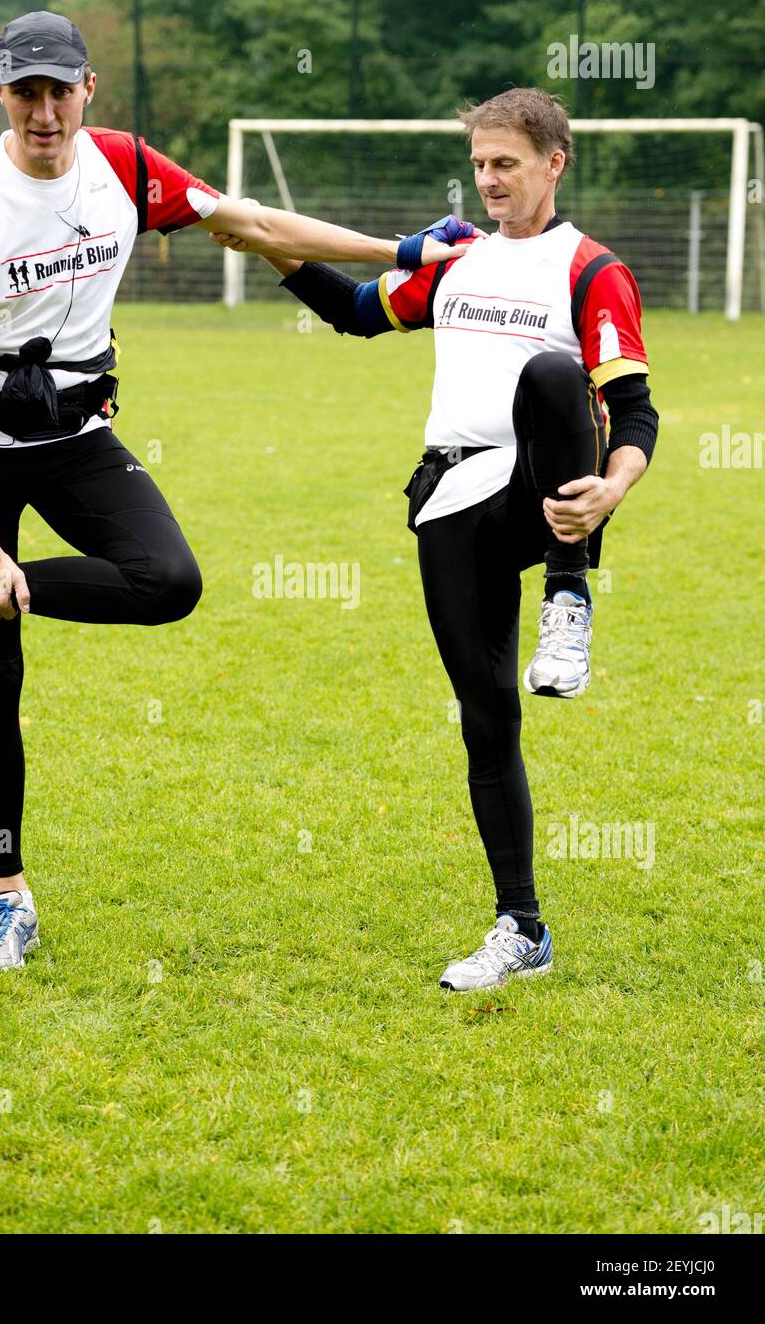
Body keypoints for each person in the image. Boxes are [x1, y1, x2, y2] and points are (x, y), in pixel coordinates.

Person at [0, 10, 464, 972]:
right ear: (1, 95)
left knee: (168, 580)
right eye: (27, 93)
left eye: (61, 91)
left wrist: (400, 253)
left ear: (88, 90)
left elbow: (254, 223)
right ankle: (9, 900)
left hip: (80, 429)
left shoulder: (128, 169)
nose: (44, 112)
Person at [211, 88, 658, 992]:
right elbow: (354, 310)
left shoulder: (591, 269)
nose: (490, 180)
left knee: (554, 374)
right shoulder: (455, 257)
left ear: (554, 162)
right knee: (488, 720)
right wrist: (270, 247)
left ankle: (568, 595)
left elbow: (636, 411)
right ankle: (521, 928)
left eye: (508, 164)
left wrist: (608, 492)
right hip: (451, 502)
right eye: (481, 165)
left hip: (539, 492)